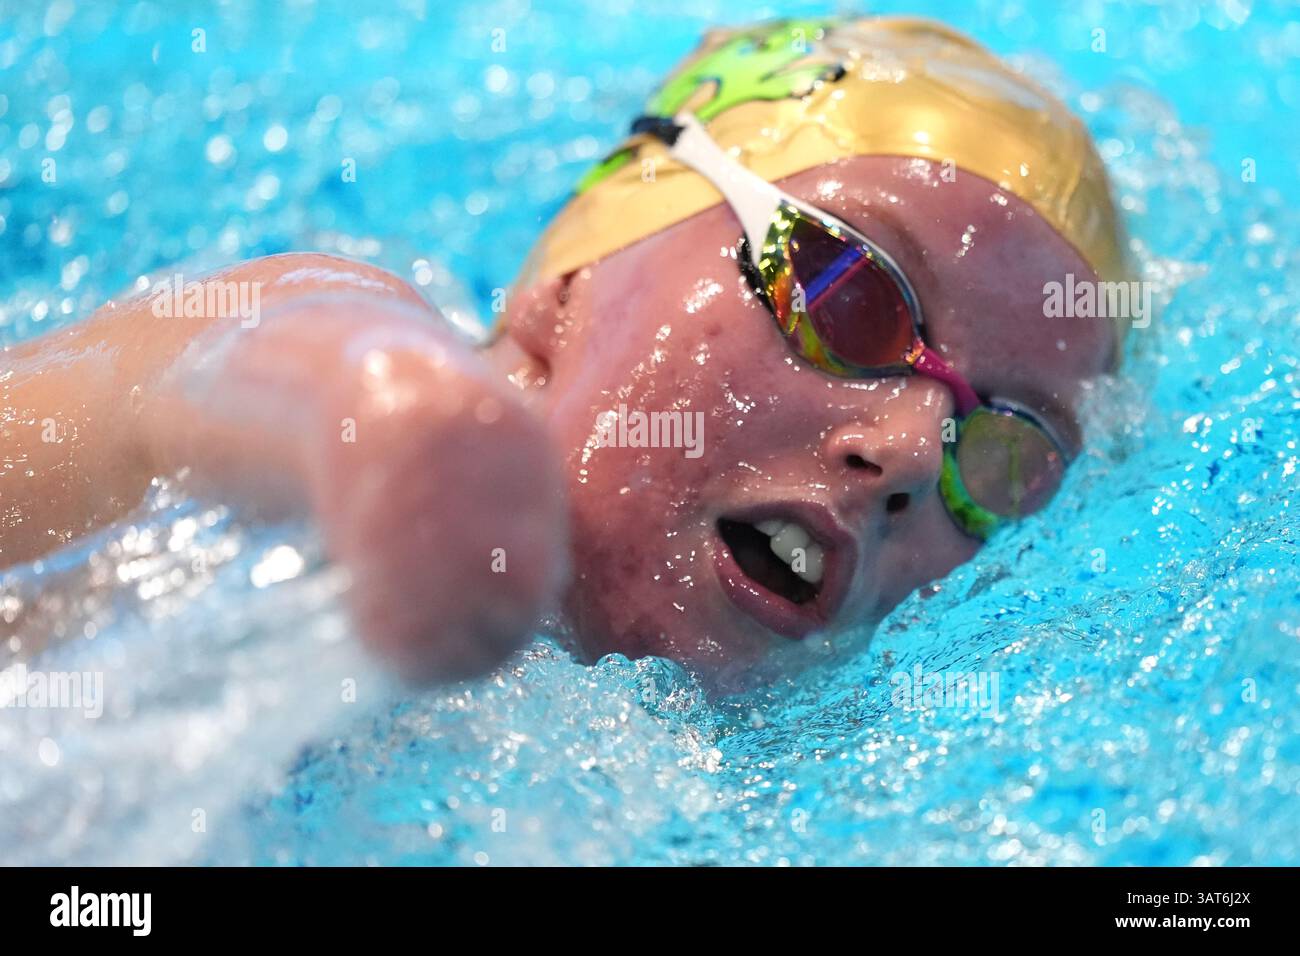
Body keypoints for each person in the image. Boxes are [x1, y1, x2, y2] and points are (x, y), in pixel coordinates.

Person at [0, 17, 1131, 687]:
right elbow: (213, 376)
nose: (909, 448)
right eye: (849, 295)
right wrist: (398, 427)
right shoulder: (359, 329)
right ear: (573, 273)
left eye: (1004, 453)